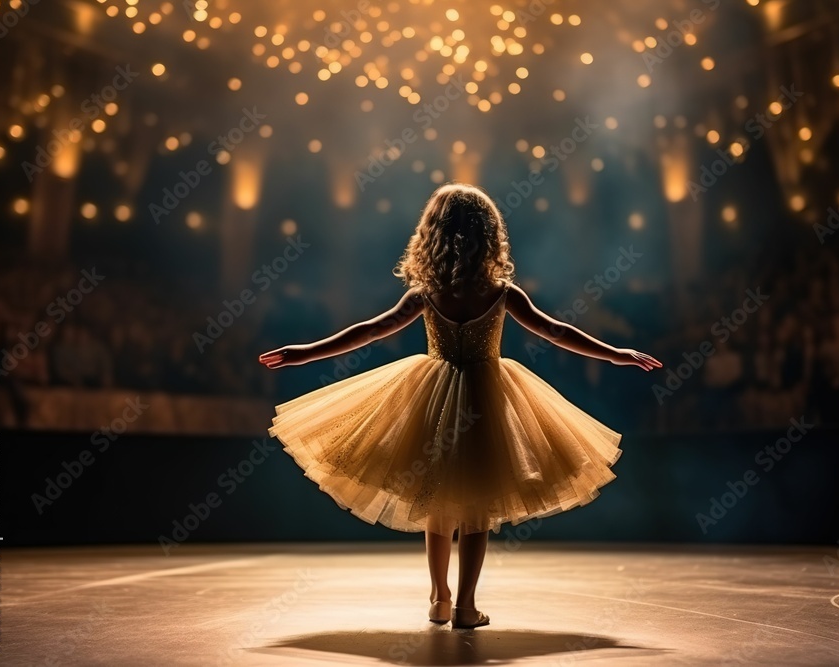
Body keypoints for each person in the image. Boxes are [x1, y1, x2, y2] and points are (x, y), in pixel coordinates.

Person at [258, 183, 661, 629]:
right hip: (486, 400)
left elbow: (369, 330)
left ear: (433, 233)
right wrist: (614, 353)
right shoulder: (503, 293)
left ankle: (440, 598)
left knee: (436, 497)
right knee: (476, 506)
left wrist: (306, 352)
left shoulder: (426, 293)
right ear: (489, 235)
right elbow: (557, 332)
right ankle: (466, 605)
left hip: (433, 397)